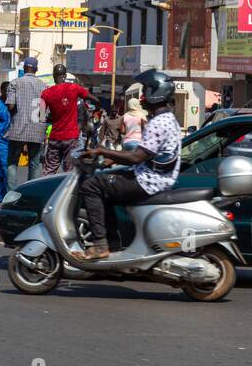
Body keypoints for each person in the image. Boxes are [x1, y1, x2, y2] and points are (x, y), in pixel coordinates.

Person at [75, 69, 182, 260]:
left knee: (91, 186)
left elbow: (137, 157)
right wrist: (112, 160)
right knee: (106, 187)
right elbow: (142, 153)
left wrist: (101, 151)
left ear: (156, 93)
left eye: (146, 90)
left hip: (148, 181)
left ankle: (100, 245)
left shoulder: (159, 122)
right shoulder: (167, 119)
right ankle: (114, 245)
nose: (142, 96)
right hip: (153, 177)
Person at [40, 64, 99, 176]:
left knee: (49, 171)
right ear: (65, 75)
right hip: (71, 138)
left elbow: (41, 116)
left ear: (53, 76)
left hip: (54, 138)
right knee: (70, 172)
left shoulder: (46, 93)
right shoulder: (74, 88)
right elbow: (92, 98)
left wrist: (52, 116)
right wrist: (98, 105)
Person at [4, 56, 48, 185]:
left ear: (24, 68)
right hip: (37, 129)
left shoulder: (15, 83)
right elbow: (43, 113)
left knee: (12, 162)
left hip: (18, 127)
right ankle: (32, 195)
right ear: (36, 69)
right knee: (35, 164)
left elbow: (11, 106)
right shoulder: (44, 87)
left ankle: (11, 194)